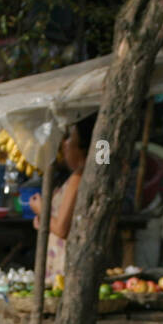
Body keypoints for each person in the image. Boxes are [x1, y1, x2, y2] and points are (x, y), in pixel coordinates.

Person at [30, 114, 94, 281]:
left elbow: (61, 229)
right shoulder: (83, 176)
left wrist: (41, 210)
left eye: (69, 139)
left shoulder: (77, 179)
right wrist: (44, 219)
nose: (64, 145)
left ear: (81, 148)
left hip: (65, 261)